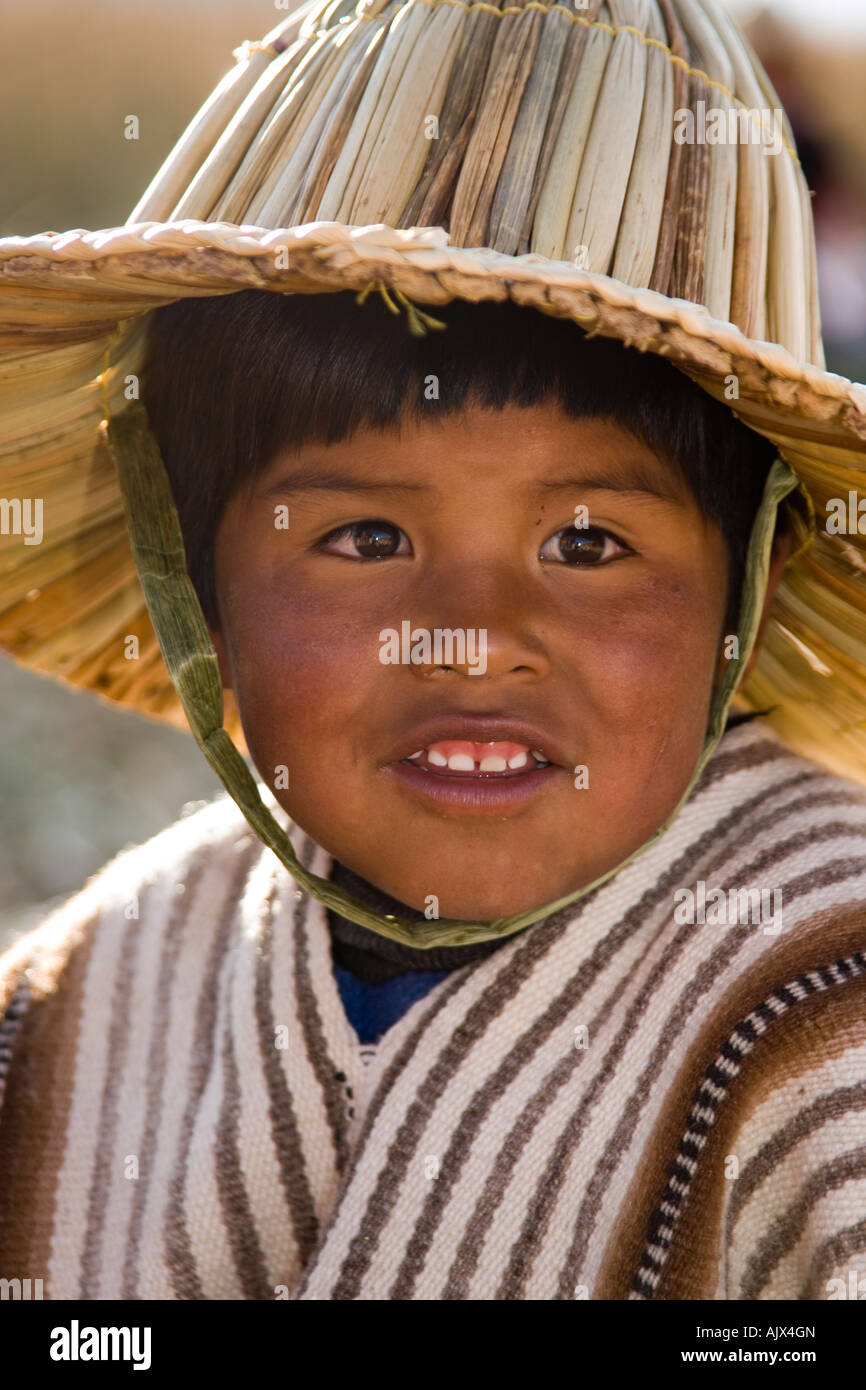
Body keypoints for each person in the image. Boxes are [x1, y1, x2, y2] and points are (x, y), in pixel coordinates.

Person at [0, 0, 865, 1301]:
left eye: (585, 544)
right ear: (196, 580)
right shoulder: (77, 1001)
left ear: (756, 575)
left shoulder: (824, 1011)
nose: (474, 636)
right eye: (360, 536)